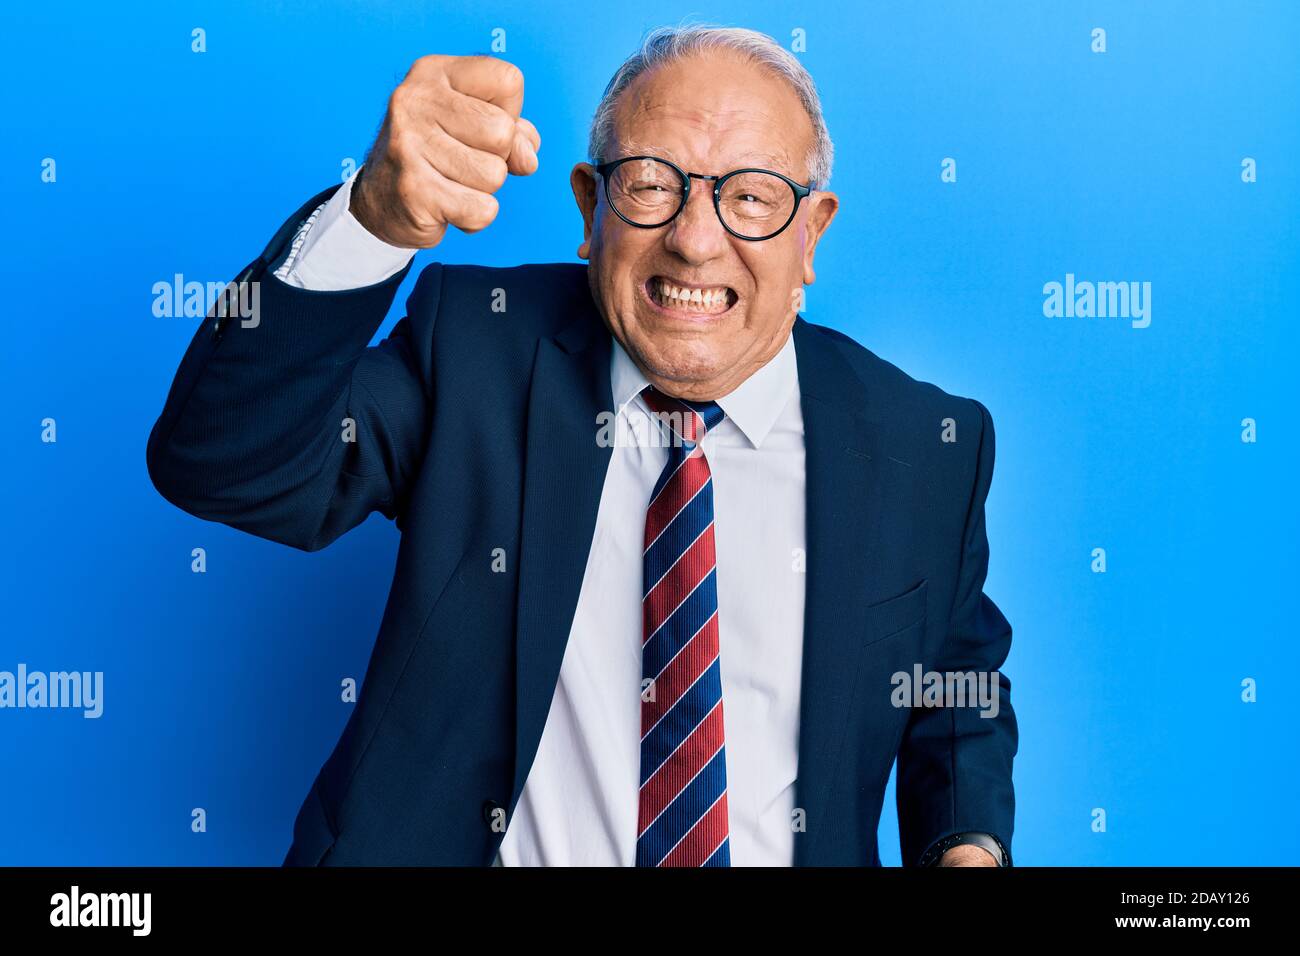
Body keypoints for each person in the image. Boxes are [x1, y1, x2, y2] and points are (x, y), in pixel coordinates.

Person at [147, 25, 1016, 867]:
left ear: (811, 233)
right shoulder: (474, 351)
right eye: (650, 184)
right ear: (590, 207)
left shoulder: (925, 443)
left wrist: (965, 841)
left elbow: (952, 682)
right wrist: (372, 220)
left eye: (750, 196)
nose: (695, 238)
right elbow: (223, 462)